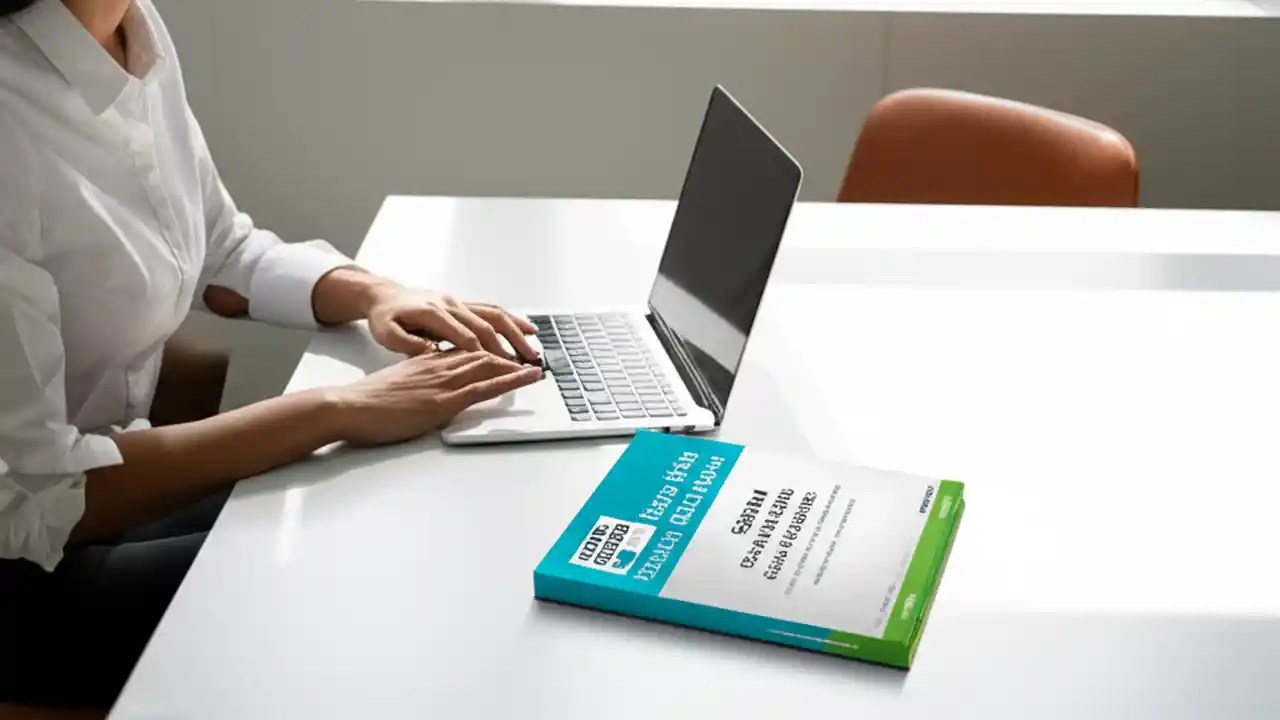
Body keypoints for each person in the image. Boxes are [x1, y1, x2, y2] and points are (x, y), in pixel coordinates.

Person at [0, 0, 544, 711]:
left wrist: (374, 294)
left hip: (107, 492)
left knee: (393, 495)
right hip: (27, 577)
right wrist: (336, 408)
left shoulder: (133, 33)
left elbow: (219, 250)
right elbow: (36, 502)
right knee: (352, 581)